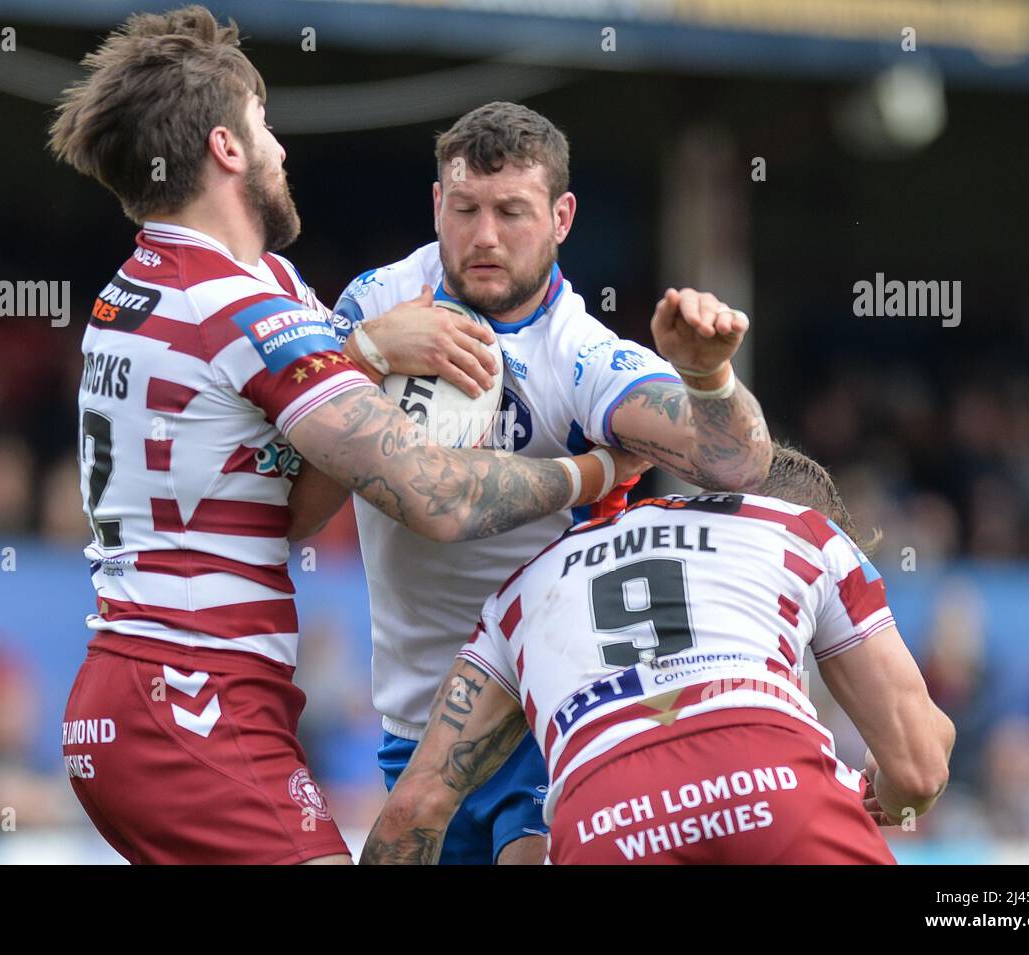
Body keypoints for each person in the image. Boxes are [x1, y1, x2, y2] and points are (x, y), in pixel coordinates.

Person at [47, 6, 639, 865]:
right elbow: (434, 496)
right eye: (265, 124)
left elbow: (282, 504)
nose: (282, 147)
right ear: (226, 148)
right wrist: (594, 472)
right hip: (186, 690)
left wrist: (357, 353)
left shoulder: (164, 284)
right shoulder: (234, 305)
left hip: (154, 690)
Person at [318, 101, 771, 863]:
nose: (485, 235)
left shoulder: (581, 355)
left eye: (512, 212)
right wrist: (363, 351)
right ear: (437, 204)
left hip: (551, 707)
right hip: (418, 718)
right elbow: (338, 466)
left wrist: (710, 377)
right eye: (464, 209)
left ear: (562, 217)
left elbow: (736, 463)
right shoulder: (379, 305)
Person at [360, 445, 956, 864]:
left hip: (603, 818)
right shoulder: (803, 531)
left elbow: (411, 809)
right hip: (770, 780)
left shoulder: (519, 593)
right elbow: (919, 769)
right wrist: (883, 791)